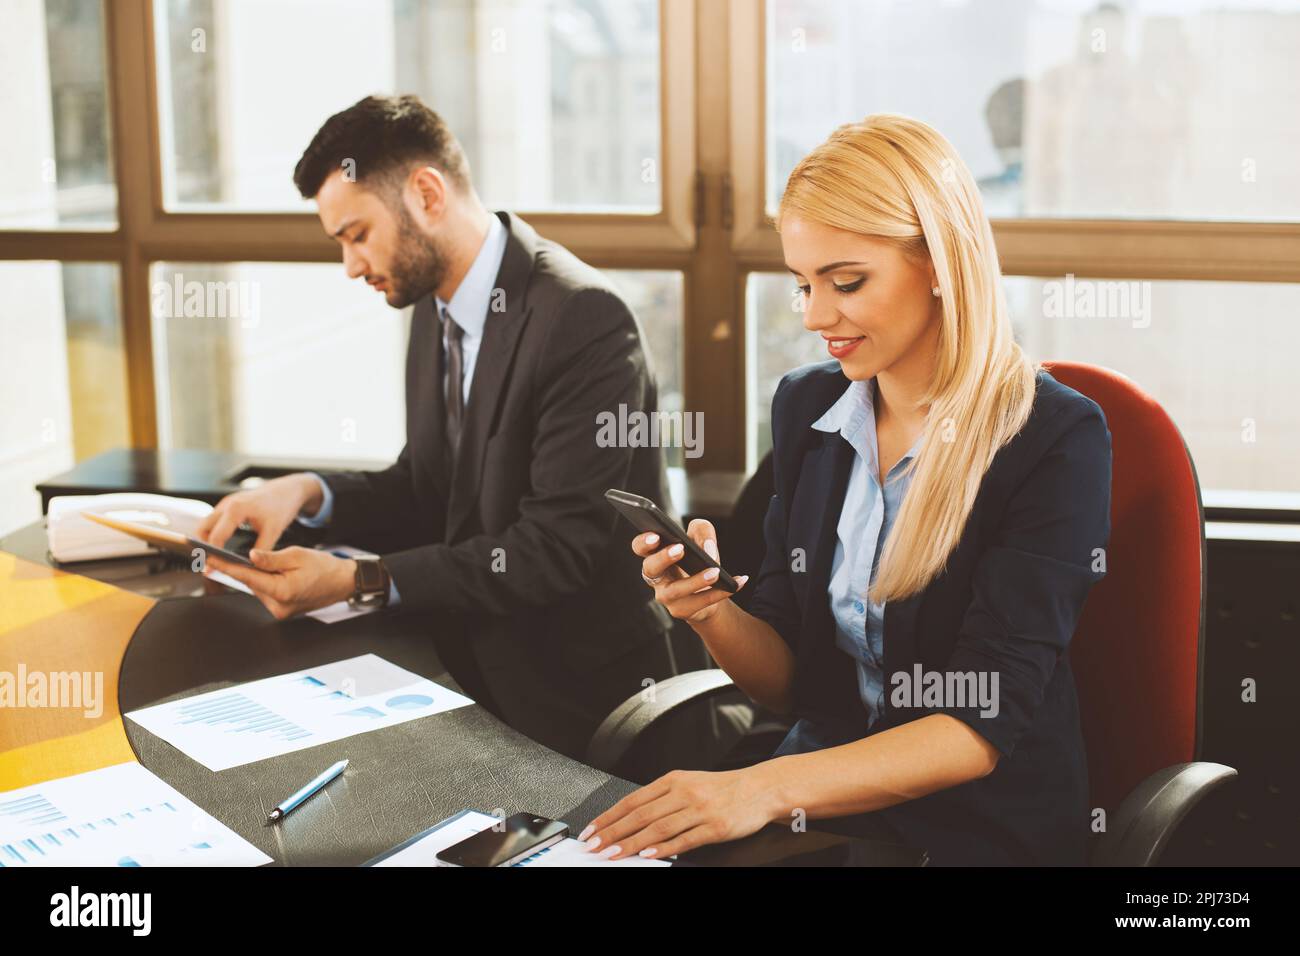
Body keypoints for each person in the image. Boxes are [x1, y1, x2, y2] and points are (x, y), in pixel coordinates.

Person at [582, 114, 1112, 865]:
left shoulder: (1053, 438)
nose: (814, 316)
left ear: (938, 263)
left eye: (847, 281)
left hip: (971, 831)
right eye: (802, 284)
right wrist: (713, 614)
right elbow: (788, 681)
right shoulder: (807, 408)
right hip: (820, 811)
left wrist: (760, 789)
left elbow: (978, 725)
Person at [198, 95, 689, 760]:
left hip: (578, 697)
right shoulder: (435, 305)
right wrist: (310, 491)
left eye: (356, 234)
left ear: (426, 194)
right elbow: (430, 487)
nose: (350, 266)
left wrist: (357, 581)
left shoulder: (584, 319)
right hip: (466, 660)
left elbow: (553, 551)